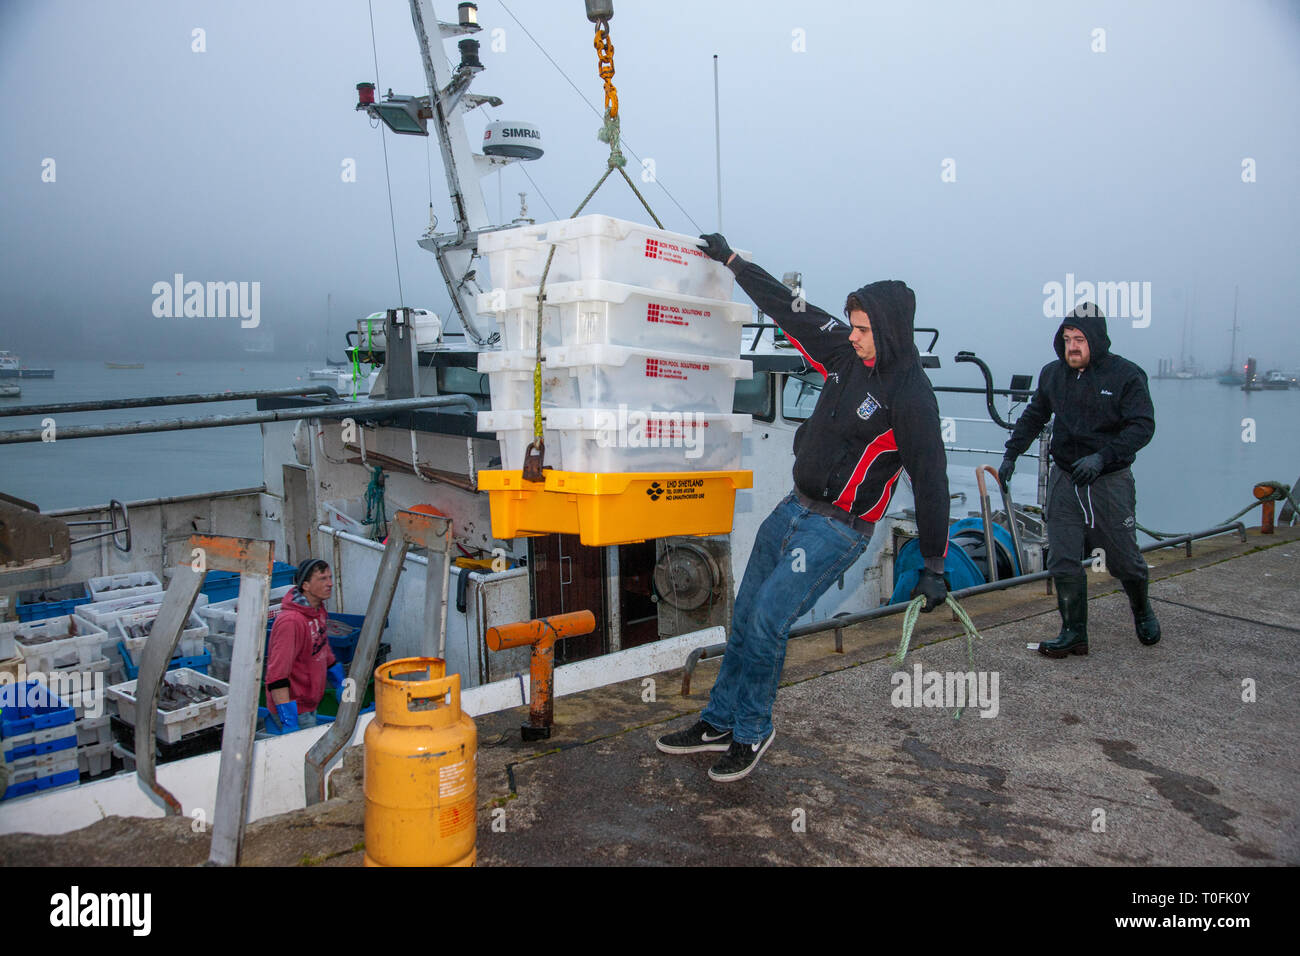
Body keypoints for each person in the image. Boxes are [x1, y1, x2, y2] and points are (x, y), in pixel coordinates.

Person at [656, 234, 951, 782]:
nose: (855, 336)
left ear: (888, 329)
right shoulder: (843, 352)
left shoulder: (911, 395)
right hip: (794, 507)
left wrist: (934, 564)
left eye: (864, 329)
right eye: (853, 326)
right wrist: (733, 260)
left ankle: (752, 730)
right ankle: (718, 721)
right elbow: (787, 309)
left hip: (838, 528)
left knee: (770, 618)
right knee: (745, 613)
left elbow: (932, 481)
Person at [999, 303, 1159, 658]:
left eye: (1080, 339)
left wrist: (1103, 456)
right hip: (1065, 478)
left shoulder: (1126, 376)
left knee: (1123, 559)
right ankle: (1073, 634)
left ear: (1097, 340)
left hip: (1108, 481)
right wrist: (1011, 454)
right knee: (1062, 557)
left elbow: (1142, 426)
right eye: (1067, 338)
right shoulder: (1053, 374)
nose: (1072, 346)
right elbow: (1034, 415)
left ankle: (1142, 610)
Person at [264, 557, 345, 732]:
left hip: (310, 704)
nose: (330, 583)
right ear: (306, 585)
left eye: (330, 577)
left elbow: (322, 647)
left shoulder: (318, 610)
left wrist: (340, 681)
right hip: (295, 709)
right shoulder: (291, 622)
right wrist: (289, 720)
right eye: (322, 579)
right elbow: (276, 676)